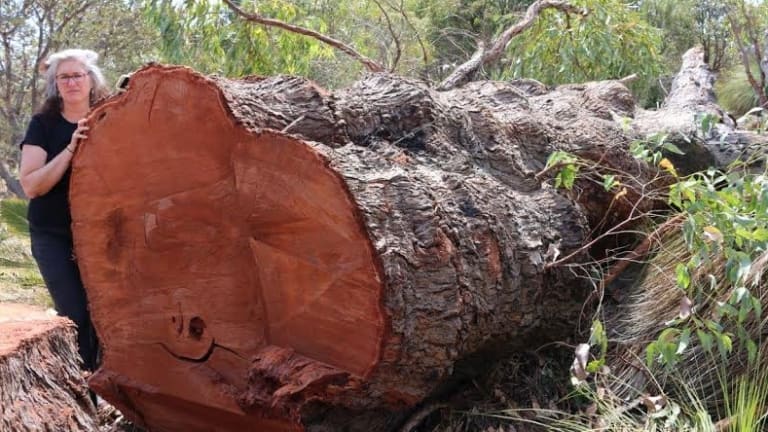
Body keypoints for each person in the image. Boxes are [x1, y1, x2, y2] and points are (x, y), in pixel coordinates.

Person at [19, 49, 110, 373]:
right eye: (64, 77)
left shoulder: (109, 115)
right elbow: (31, 186)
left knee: (107, 312)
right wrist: (71, 148)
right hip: (53, 234)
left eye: (77, 75)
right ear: (55, 84)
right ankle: (83, 388)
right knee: (75, 314)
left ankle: (108, 387)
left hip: (102, 232)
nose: (71, 82)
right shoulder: (43, 124)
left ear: (91, 80)